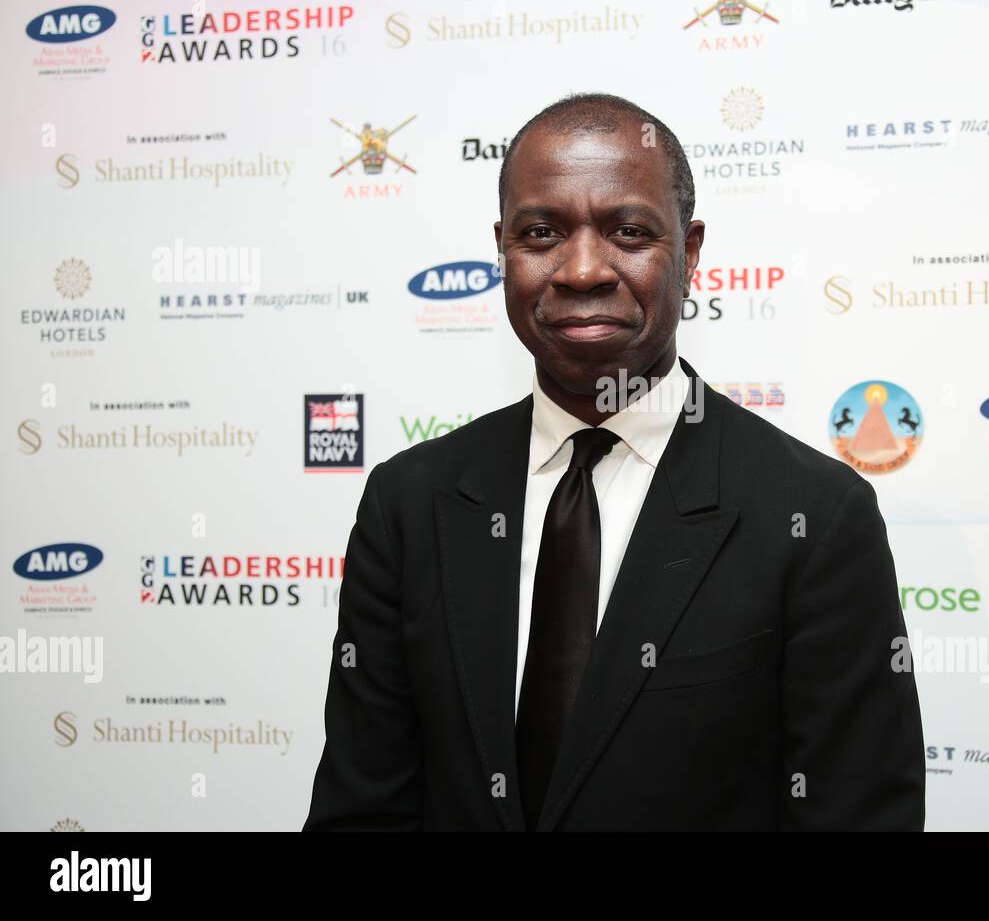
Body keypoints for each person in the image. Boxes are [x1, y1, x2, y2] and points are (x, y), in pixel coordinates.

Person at [303, 92, 924, 831]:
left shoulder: (814, 515)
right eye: (541, 233)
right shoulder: (409, 502)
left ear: (689, 254)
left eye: (628, 231)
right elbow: (363, 810)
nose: (582, 269)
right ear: (502, 247)